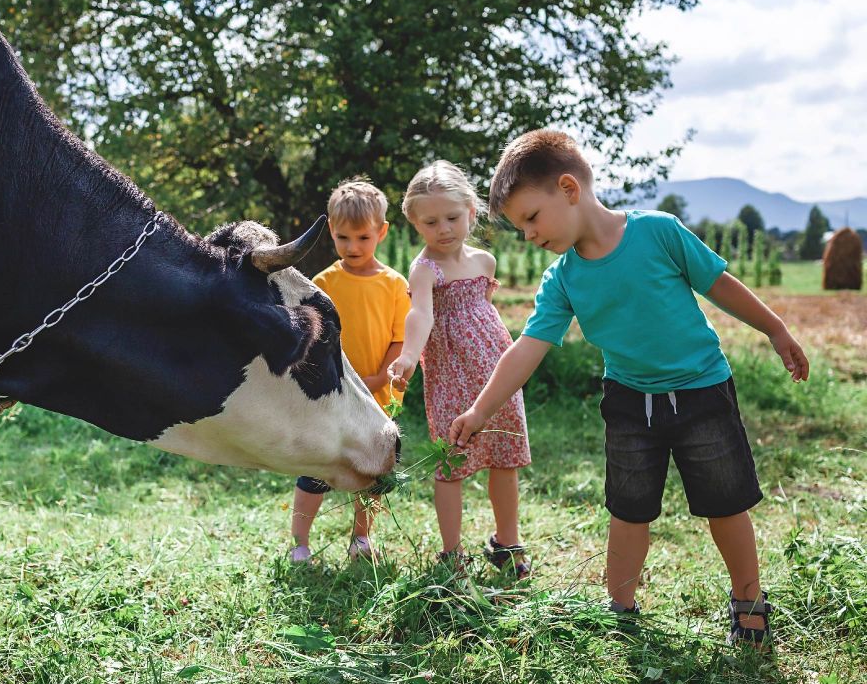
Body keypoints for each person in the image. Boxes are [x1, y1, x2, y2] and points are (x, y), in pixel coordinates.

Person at [450, 129, 809, 645]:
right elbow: (527, 347)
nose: (527, 235)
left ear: (569, 189)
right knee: (628, 510)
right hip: (629, 404)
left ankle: (749, 605)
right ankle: (620, 611)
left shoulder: (658, 232)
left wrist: (775, 329)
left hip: (703, 391)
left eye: (531, 218)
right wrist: (481, 410)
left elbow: (719, 285)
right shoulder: (563, 278)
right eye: (520, 226)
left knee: (726, 504)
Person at [387, 161, 532, 577]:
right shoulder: (424, 269)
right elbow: (421, 315)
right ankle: (452, 554)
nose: (444, 229)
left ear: (471, 210)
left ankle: (507, 543)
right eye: (430, 222)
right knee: (451, 462)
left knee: (505, 456)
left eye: (452, 217)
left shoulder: (485, 262)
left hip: (495, 371)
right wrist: (409, 355)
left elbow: (484, 313)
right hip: (451, 376)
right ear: (415, 223)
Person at [290, 177, 411, 564]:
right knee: (315, 470)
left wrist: (379, 378)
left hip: (378, 396)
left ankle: (361, 537)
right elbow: (313, 341)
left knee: (373, 473)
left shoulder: (395, 285)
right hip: (331, 397)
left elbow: (400, 339)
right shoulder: (322, 284)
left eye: (363, 238)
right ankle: (299, 543)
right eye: (343, 238)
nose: (352, 247)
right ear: (331, 230)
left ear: (382, 232)